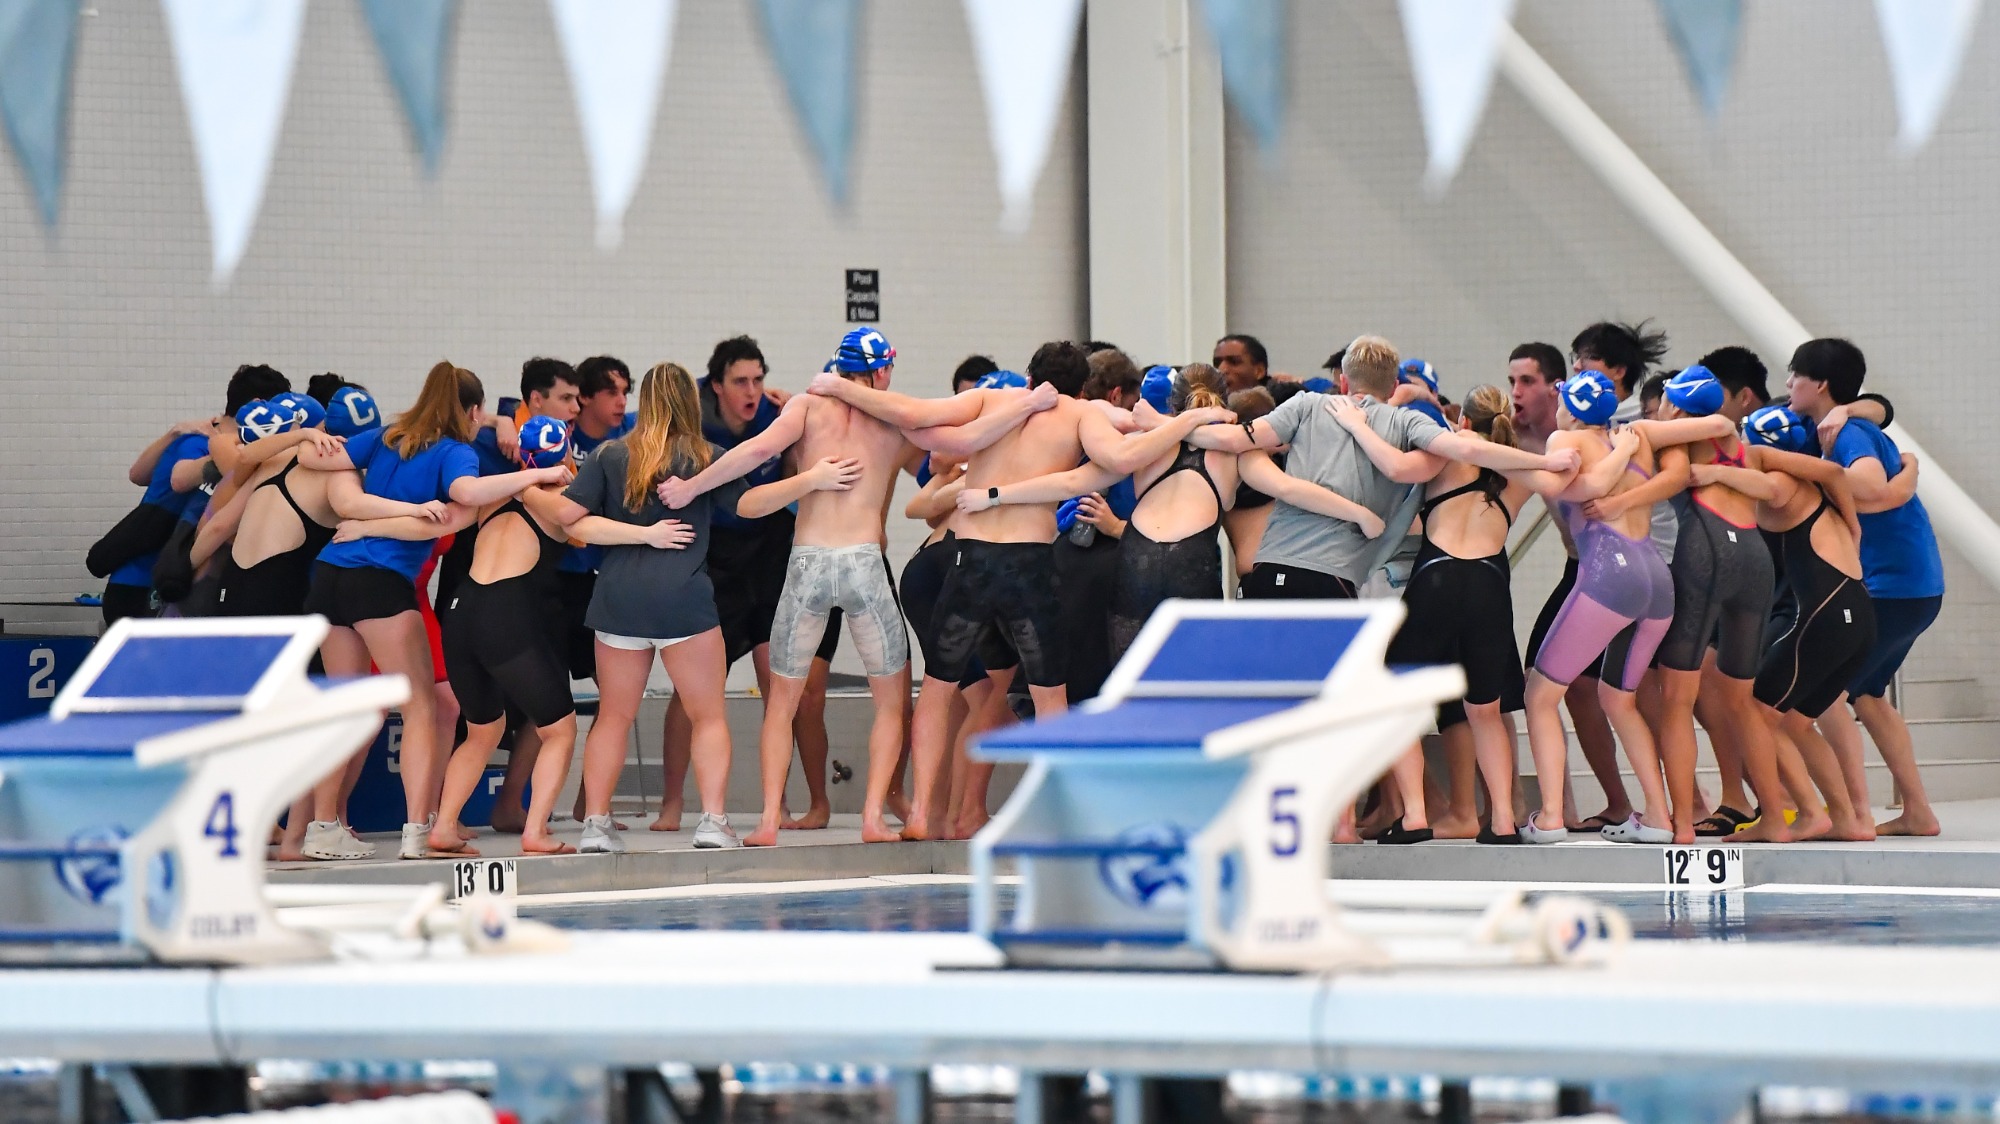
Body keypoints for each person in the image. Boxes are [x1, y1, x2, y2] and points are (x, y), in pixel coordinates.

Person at [805, 340, 1229, 838]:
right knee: (1051, 699)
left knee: (939, 692)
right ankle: (1057, 813)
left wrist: (837, 386)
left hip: (970, 561)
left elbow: (913, 412)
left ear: (1030, 378)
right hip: (1029, 566)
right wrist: (1189, 421)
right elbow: (1121, 454)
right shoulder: (1081, 413)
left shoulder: (996, 401)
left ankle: (921, 812)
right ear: (1082, 385)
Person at [657, 330, 938, 845]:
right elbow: (954, 447)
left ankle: (768, 821)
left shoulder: (808, 408)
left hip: (806, 562)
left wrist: (692, 487)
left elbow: (755, 453)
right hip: (864, 563)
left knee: (781, 703)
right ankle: (874, 818)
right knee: (890, 703)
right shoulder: (899, 416)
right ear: (879, 372)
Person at [296, 362, 568, 860]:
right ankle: (418, 830)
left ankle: (321, 828)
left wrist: (332, 458)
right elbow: (463, 498)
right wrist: (540, 472)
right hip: (379, 585)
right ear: (471, 410)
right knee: (421, 707)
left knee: (348, 710)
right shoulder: (453, 452)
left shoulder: (386, 437)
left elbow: (315, 460)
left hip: (330, 578)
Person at [960, 364, 1383, 659]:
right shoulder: (1234, 448)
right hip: (1191, 561)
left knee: (1133, 684)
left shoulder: (1149, 444)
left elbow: (1071, 483)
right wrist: (1359, 514)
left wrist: (994, 495)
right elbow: (1291, 488)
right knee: (1194, 685)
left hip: (1136, 559)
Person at [333, 418, 608, 857]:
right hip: (506, 615)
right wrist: (648, 533)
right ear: (565, 454)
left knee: (483, 730)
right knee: (558, 729)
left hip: (461, 614)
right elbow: (584, 529)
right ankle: (535, 831)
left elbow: (436, 525)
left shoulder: (491, 495)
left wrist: (369, 528)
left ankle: (442, 827)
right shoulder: (557, 496)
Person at [1518, 372, 1735, 844]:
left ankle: (1552, 816)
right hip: (1657, 581)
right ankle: (1657, 817)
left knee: (1540, 694)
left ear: (1573, 410)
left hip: (1608, 574)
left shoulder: (1565, 437)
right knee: (1619, 699)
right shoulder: (1641, 433)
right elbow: (1718, 423)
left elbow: (1581, 484)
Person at [1187, 336, 1577, 599]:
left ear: (1342, 382)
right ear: (1393, 387)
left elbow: (1232, 439)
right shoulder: (1407, 424)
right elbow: (1471, 449)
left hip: (1269, 569)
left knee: (1263, 699)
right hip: (1333, 576)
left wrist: (1172, 427)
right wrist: (1546, 459)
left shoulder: (1307, 405)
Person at [552, 362, 752, 853]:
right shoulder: (707, 457)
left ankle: (596, 825)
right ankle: (713, 821)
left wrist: (637, 534)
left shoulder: (609, 454)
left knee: (613, 718)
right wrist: (808, 481)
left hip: (618, 602)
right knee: (708, 716)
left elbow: (568, 522)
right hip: (683, 601)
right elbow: (750, 509)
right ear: (691, 401)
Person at [1697, 404, 1879, 841]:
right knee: (1794, 722)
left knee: (1757, 711)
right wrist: (1853, 524)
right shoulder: (1817, 486)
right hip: (1855, 617)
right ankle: (1847, 819)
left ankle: (1798, 815)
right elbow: (1834, 474)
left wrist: (1713, 474)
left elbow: (1766, 484)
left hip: (1827, 615)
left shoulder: (1783, 483)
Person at [1784, 338, 1942, 837]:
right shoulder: (1835, 423)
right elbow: (1881, 409)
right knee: (1868, 695)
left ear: (1821, 384)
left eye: (1794, 375)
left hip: (1892, 585)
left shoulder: (1848, 432)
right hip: (1913, 582)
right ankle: (1917, 811)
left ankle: (1851, 813)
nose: (1787, 384)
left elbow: (1871, 488)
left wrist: (1893, 484)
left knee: (1823, 694)